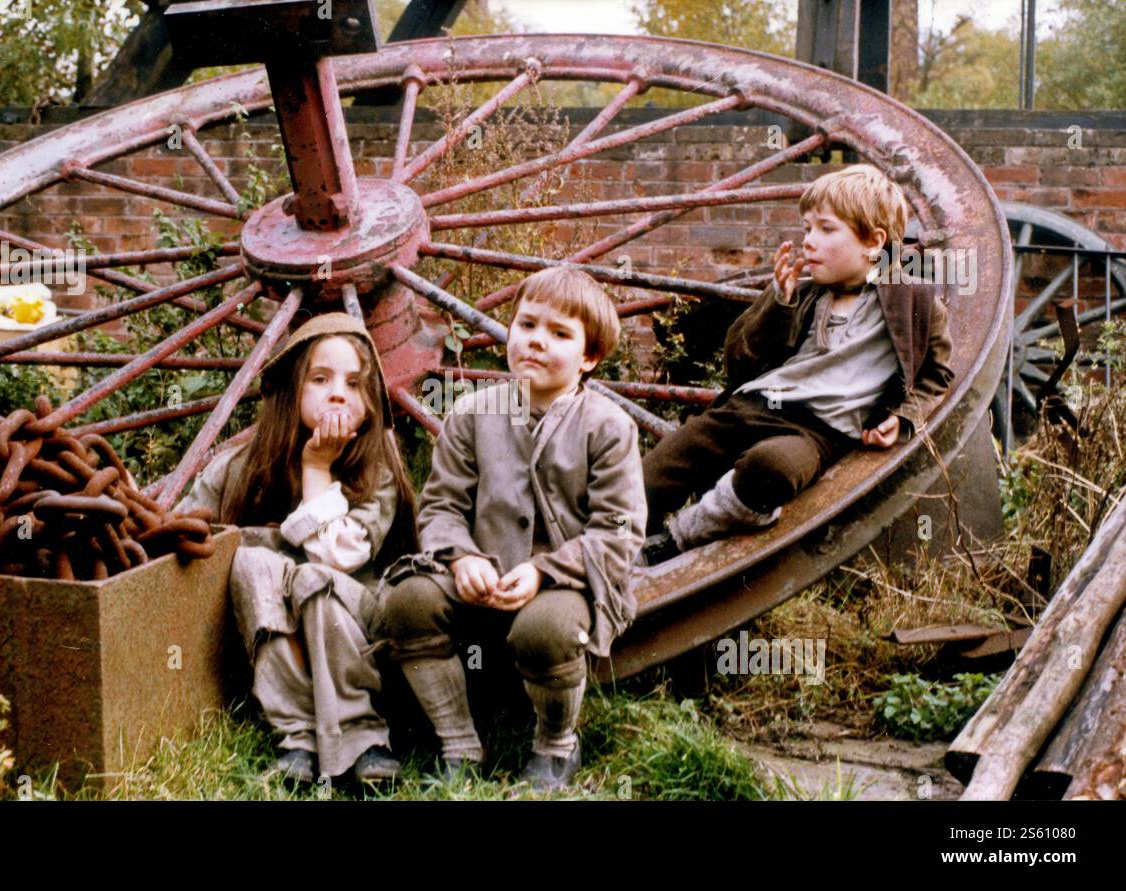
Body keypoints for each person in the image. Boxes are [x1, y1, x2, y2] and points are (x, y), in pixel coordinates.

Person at [374, 267, 647, 792]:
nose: (536, 342)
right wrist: (462, 557)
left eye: (560, 334)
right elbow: (441, 507)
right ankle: (457, 739)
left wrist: (544, 570)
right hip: (481, 578)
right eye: (527, 325)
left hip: (568, 583)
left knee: (545, 630)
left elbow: (619, 531)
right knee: (406, 602)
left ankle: (556, 743)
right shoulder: (473, 416)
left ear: (588, 358)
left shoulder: (609, 427)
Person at [642, 164, 954, 558]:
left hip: (818, 433)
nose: (809, 241)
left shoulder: (915, 302)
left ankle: (679, 539)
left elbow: (938, 373)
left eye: (825, 229)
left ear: (873, 242)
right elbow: (740, 362)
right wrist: (779, 302)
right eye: (807, 229)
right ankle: (609, 546)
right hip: (749, 408)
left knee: (771, 469)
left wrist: (904, 417)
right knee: (652, 474)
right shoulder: (806, 295)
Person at [176, 312, 419, 785]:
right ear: (290, 390)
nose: (338, 394)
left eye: (354, 384)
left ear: (370, 405)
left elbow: (338, 556)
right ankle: (298, 737)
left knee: (312, 575)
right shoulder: (239, 466)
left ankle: (361, 736)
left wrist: (316, 469)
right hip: (272, 636)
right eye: (321, 379)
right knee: (249, 560)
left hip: (358, 636)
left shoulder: (376, 475)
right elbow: (184, 527)